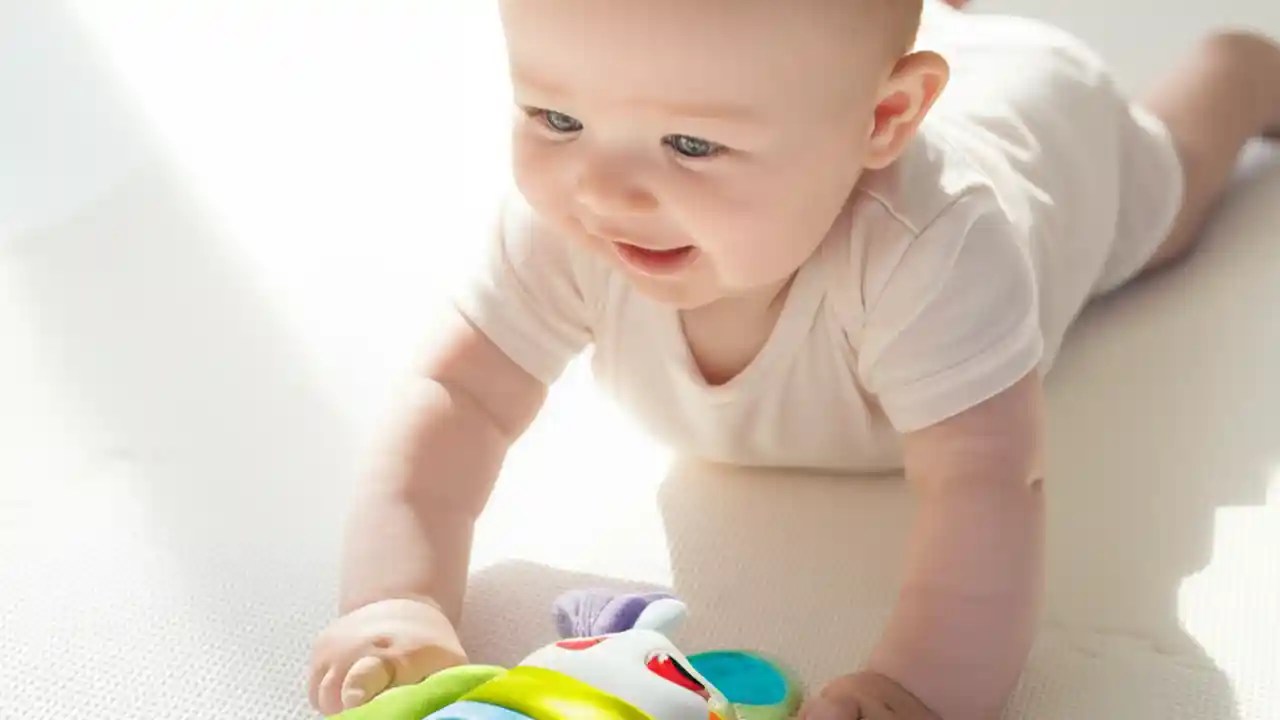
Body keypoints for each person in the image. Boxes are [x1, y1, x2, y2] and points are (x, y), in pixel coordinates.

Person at [309, 1, 1280, 717]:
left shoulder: (931, 252)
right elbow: (457, 397)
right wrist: (398, 594)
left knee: (1167, 205)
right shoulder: (563, 224)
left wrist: (917, 689)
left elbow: (987, 480)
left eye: (689, 144)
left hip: (1051, 133)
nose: (601, 187)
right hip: (857, 70)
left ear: (881, 124)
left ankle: (1235, 70)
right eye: (554, 119)